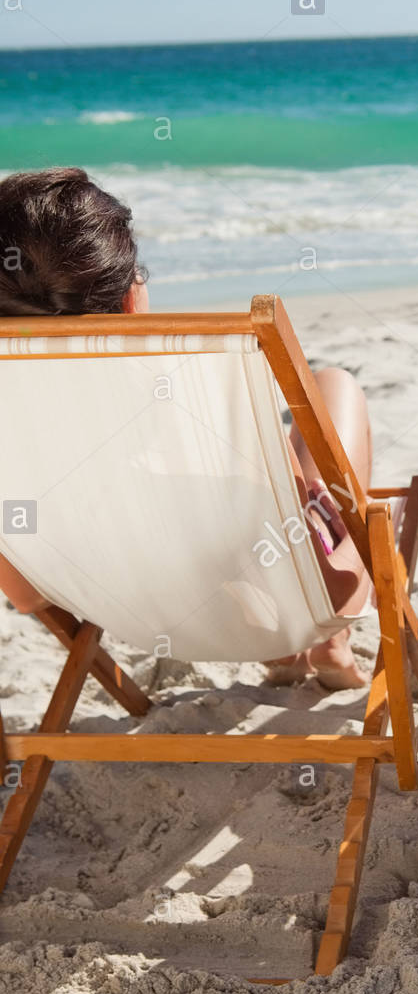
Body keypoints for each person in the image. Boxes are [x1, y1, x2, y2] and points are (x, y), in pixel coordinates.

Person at [0, 167, 372, 689]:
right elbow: (325, 581)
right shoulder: (193, 392)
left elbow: (26, 596)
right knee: (336, 387)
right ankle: (333, 644)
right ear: (130, 299)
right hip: (296, 615)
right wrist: (356, 533)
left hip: (132, 619)